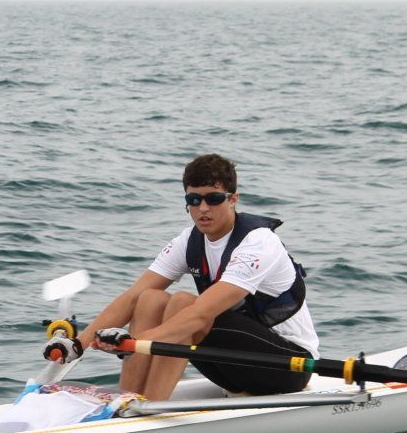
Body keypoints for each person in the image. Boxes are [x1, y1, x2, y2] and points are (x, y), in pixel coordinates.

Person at [78, 154, 317, 402]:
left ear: (233, 199)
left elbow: (200, 314)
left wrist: (133, 342)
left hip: (289, 366)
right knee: (150, 298)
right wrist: (78, 344)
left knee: (183, 303)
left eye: (213, 199)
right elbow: (132, 297)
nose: (202, 208)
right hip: (236, 362)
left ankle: (151, 406)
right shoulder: (189, 241)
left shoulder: (258, 242)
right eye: (194, 200)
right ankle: (126, 400)